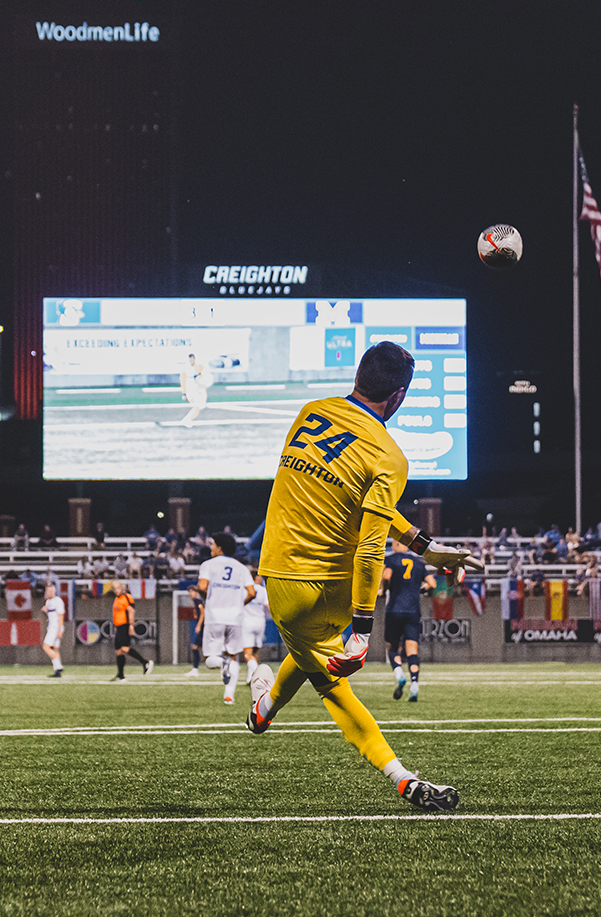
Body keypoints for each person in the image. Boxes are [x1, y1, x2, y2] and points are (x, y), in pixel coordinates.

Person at [247, 341, 482, 812]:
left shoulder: (311, 411)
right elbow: (372, 538)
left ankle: (264, 712)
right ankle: (400, 776)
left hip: (284, 582)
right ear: (398, 397)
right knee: (326, 671)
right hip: (333, 590)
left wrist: (425, 547)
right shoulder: (390, 456)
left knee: (318, 663)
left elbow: (357, 502)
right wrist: (362, 626)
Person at [196, 533, 257, 704]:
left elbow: (203, 587)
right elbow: (252, 593)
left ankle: (222, 664)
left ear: (220, 547)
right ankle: (229, 696)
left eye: (213, 544)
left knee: (210, 659)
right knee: (233, 656)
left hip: (215, 616)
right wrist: (239, 604)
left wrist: (204, 595)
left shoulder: (207, 565)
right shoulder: (241, 568)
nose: (210, 547)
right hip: (235, 618)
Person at [382, 538, 435, 703]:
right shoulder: (418, 563)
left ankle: (399, 675)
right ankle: (414, 685)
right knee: (412, 651)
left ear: (397, 545)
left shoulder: (391, 559)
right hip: (413, 611)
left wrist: (383, 589)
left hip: (395, 609)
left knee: (392, 647)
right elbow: (432, 584)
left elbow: (386, 575)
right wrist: (420, 589)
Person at [109, 581, 153, 681]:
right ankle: (120, 675)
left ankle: (145, 662)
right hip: (118, 627)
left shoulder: (126, 597)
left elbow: (131, 611)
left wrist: (131, 626)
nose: (116, 590)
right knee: (119, 651)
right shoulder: (117, 598)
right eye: (114, 588)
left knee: (125, 648)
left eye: (117, 588)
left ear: (122, 588)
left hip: (124, 625)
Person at [240, 565, 270, 680]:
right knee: (255, 652)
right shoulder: (263, 590)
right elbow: (268, 606)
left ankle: (254, 673)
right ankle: (252, 678)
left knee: (248, 654)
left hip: (247, 622)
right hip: (260, 622)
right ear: (255, 578)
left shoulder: (244, 590)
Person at [177, 352, 213, 427]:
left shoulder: (199, 367)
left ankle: (187, 419)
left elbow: (202, 378)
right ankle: (187, 419)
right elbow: (183, 379)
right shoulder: (186, 370)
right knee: (198, 405)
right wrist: (184, 391)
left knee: (199, 405)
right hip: (191, 387)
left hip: (197, 388)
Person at [41, 581, 67, 677]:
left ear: (54, 591)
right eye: (47, 591)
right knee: (55, 649)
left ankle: (58, 666)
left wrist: (61, 629)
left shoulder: (58, 601)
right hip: (51, 626)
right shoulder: (48, 601)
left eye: (50, 591)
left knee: (46, 646)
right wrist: (45, 609)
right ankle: (57, 671)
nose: (48, 593)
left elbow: (60, 616)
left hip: (55, 627)